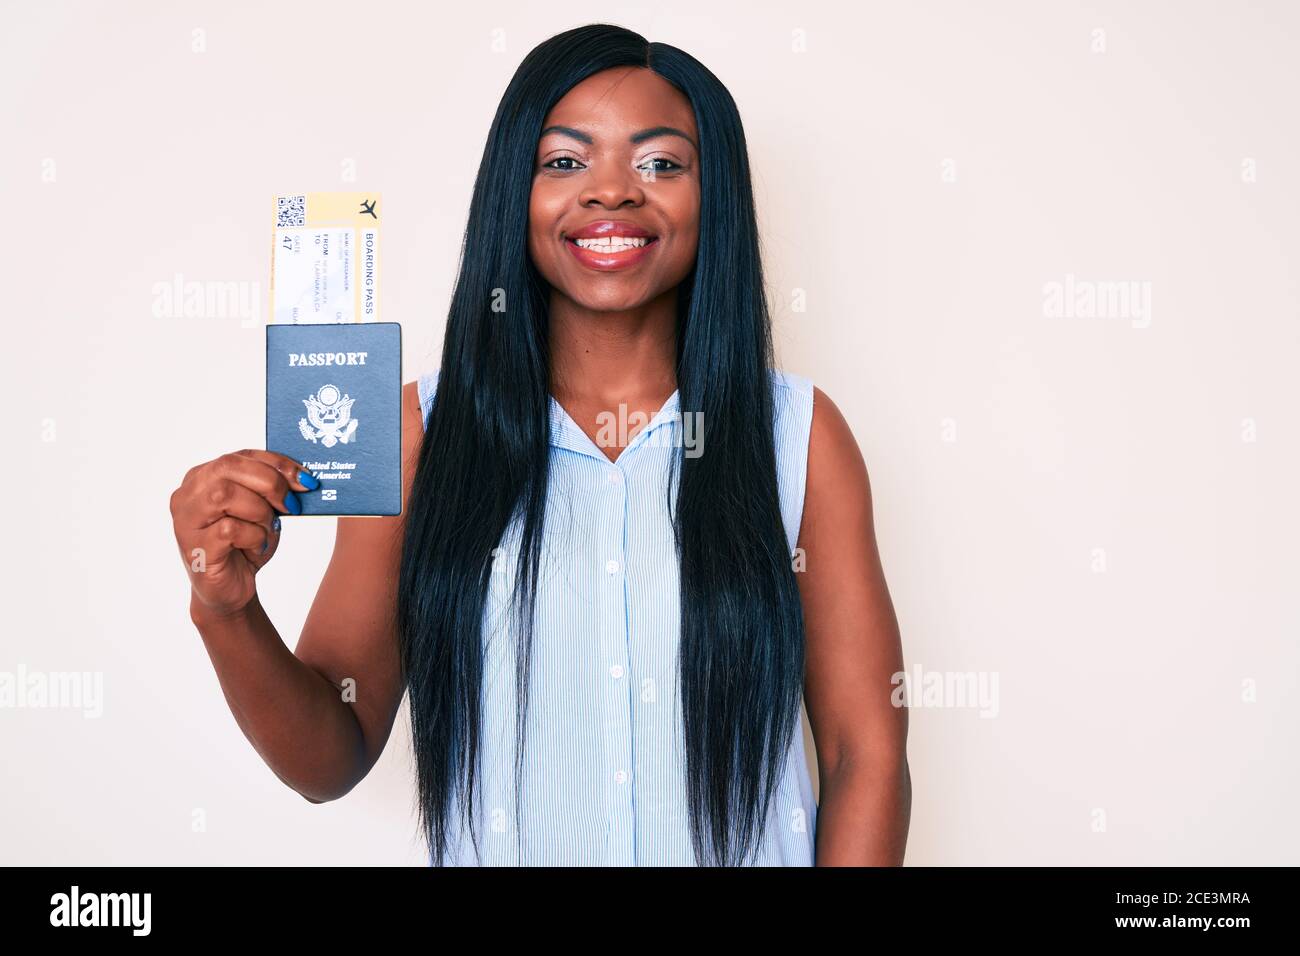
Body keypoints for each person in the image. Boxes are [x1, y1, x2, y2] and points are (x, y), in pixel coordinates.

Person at [169, 23, 909, 866]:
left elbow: (864, 756)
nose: (612, 192)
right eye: (564, 161)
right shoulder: (419, 435)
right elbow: (328, 758)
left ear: (718, 200)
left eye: (661, 163)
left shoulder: (799, 438)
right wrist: (226, 611)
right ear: (512, 193)